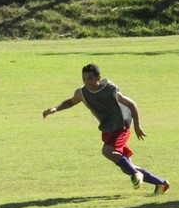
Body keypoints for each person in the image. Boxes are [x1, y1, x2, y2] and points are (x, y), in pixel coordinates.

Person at [41, 64, 169, 193]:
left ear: (98, 77)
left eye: (90, 78)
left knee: (107, 151)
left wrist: (137, 126)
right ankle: (161, 183)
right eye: (84, 78)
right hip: (108, 130)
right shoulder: (82, 93)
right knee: (127, 167)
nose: (87, 82)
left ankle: (136, 174)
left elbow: (131, 104)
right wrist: (56, 108)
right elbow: (71, 101)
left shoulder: (110, 90)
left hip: (121, 127)